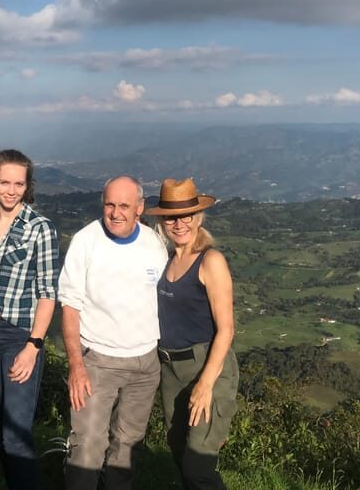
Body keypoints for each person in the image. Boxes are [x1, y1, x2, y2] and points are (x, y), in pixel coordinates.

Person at [58, 175, 168, 490]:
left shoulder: (153, 243)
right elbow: (70, 306)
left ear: (140, 208)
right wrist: (76, 365)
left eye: (124, 206)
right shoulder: (86, 241)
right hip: (98, 362)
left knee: (127, 449)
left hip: (146, 363)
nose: (116, 213)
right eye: (109, 204)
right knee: (87, 449)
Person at [0, 149, 60, 490]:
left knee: (17, 432)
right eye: (4, 182)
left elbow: (48, 293)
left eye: (18, 183)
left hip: (17, 335)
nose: (10, 190)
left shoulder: (41, 229)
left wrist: (33, 346)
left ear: (27, 186)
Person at [144, 178, 239, 490]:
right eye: (171, 216)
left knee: (198, 466)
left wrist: (206, 384)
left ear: (198, 218)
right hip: (170, 369)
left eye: (187, 215)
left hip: (204, 366)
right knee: (180, 456)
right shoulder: (168, 260)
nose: (179, 223)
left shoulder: (210, 260)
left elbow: (226, 328)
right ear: (162, 221)